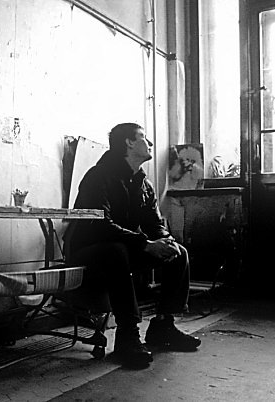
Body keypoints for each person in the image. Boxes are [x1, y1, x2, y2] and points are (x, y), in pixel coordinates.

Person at [64, 123, 201, 369]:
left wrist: (165, 241)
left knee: (178, 253)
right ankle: (127, 335)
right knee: (115, 251)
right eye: (143, 138)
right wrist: (145, 244)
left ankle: (163, 325)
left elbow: (154, 224)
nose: (150, 143)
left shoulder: (143, 183)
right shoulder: (98, 176)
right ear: (128, 143)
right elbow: (99, 226)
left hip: (125, 249)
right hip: (88, 252)